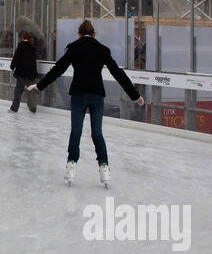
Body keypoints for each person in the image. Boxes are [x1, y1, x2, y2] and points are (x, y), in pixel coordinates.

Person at [30, 19, 144, 187]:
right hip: (97, 95)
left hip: (78, 94)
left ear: (79, 33)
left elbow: (58, 69)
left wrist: (39, 86)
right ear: (93, 34)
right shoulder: (102, 50)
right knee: (97, 133)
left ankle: (71, 166)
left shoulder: (74, 48)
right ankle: (104, 168)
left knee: (76, 131)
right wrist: (135, 96)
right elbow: (117, 73)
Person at [9, 31, 39, 113]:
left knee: (18, 91)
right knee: (31, 91)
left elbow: (16, 57)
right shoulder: (33, 46)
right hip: (31, 73)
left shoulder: (21, 45)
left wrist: (12, 66)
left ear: (23, 38)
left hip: (22, 72)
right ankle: (33, 107)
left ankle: (14, 108)